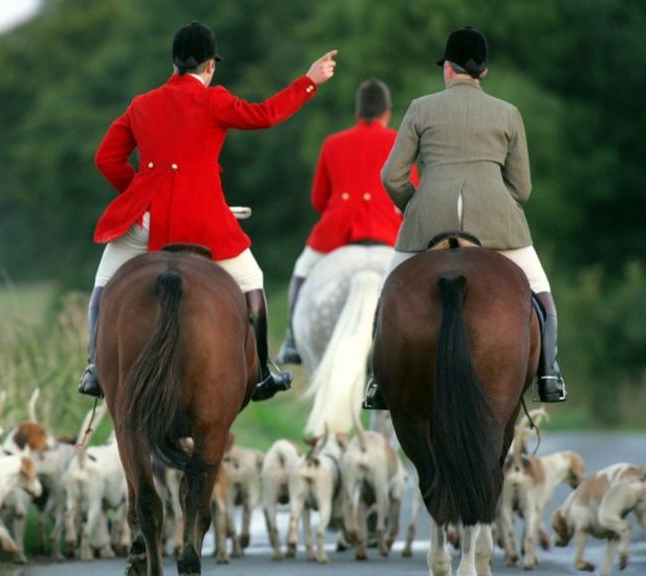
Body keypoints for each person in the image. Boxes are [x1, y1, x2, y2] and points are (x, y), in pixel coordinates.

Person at [77, 21, 338, 402]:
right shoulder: (215, 100)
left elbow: (106, 158)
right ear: (210, 66)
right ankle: (263, 371)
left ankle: (96, 368)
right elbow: (265, 114)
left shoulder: (141, 104)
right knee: (252, 280)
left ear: (174, 65)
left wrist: (140, 191)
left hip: (147, 223)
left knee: (103, 284)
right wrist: (309, 80)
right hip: (202, 224)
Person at [366, 26, 566, 409]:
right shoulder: (508, 113)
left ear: (447, 68)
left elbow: (391, 175)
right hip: (496, 221)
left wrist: (417, 206)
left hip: (430, 218)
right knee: (542, 293)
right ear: (484, 72)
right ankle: (549, 374)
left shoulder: (420, 108)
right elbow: (521, 188)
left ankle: (378, 381)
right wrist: (496, 208)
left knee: (386, 294)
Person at [276, 78, 417, 364]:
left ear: (358, 113)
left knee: (302, 269)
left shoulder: (333, 143)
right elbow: (411, 196)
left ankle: (292, 339)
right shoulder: (398, 142)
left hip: (337, 232)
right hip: (387, 231)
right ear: (387, 113)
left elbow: (318, 200)